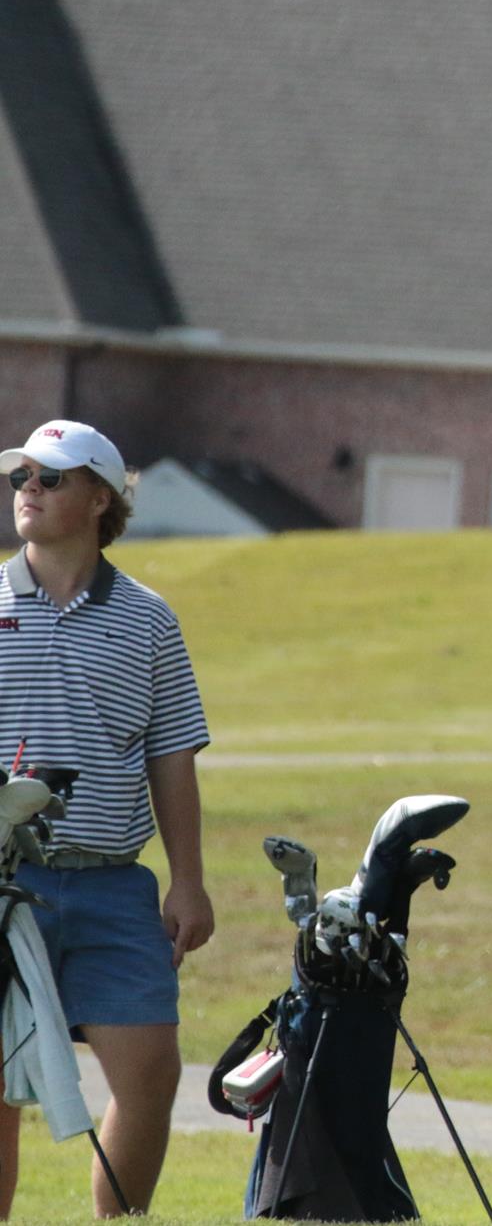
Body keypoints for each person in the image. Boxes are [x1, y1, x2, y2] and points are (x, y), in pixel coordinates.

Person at [0, 419, 213, 1217]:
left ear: (98, 497)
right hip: (3, 882)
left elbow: (172, 755)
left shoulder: (149, 619)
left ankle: (119, 1219)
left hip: (112, 883)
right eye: (22, 475)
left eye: (50, 478)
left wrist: (188, 882)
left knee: (152, 1071)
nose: (28, 489)